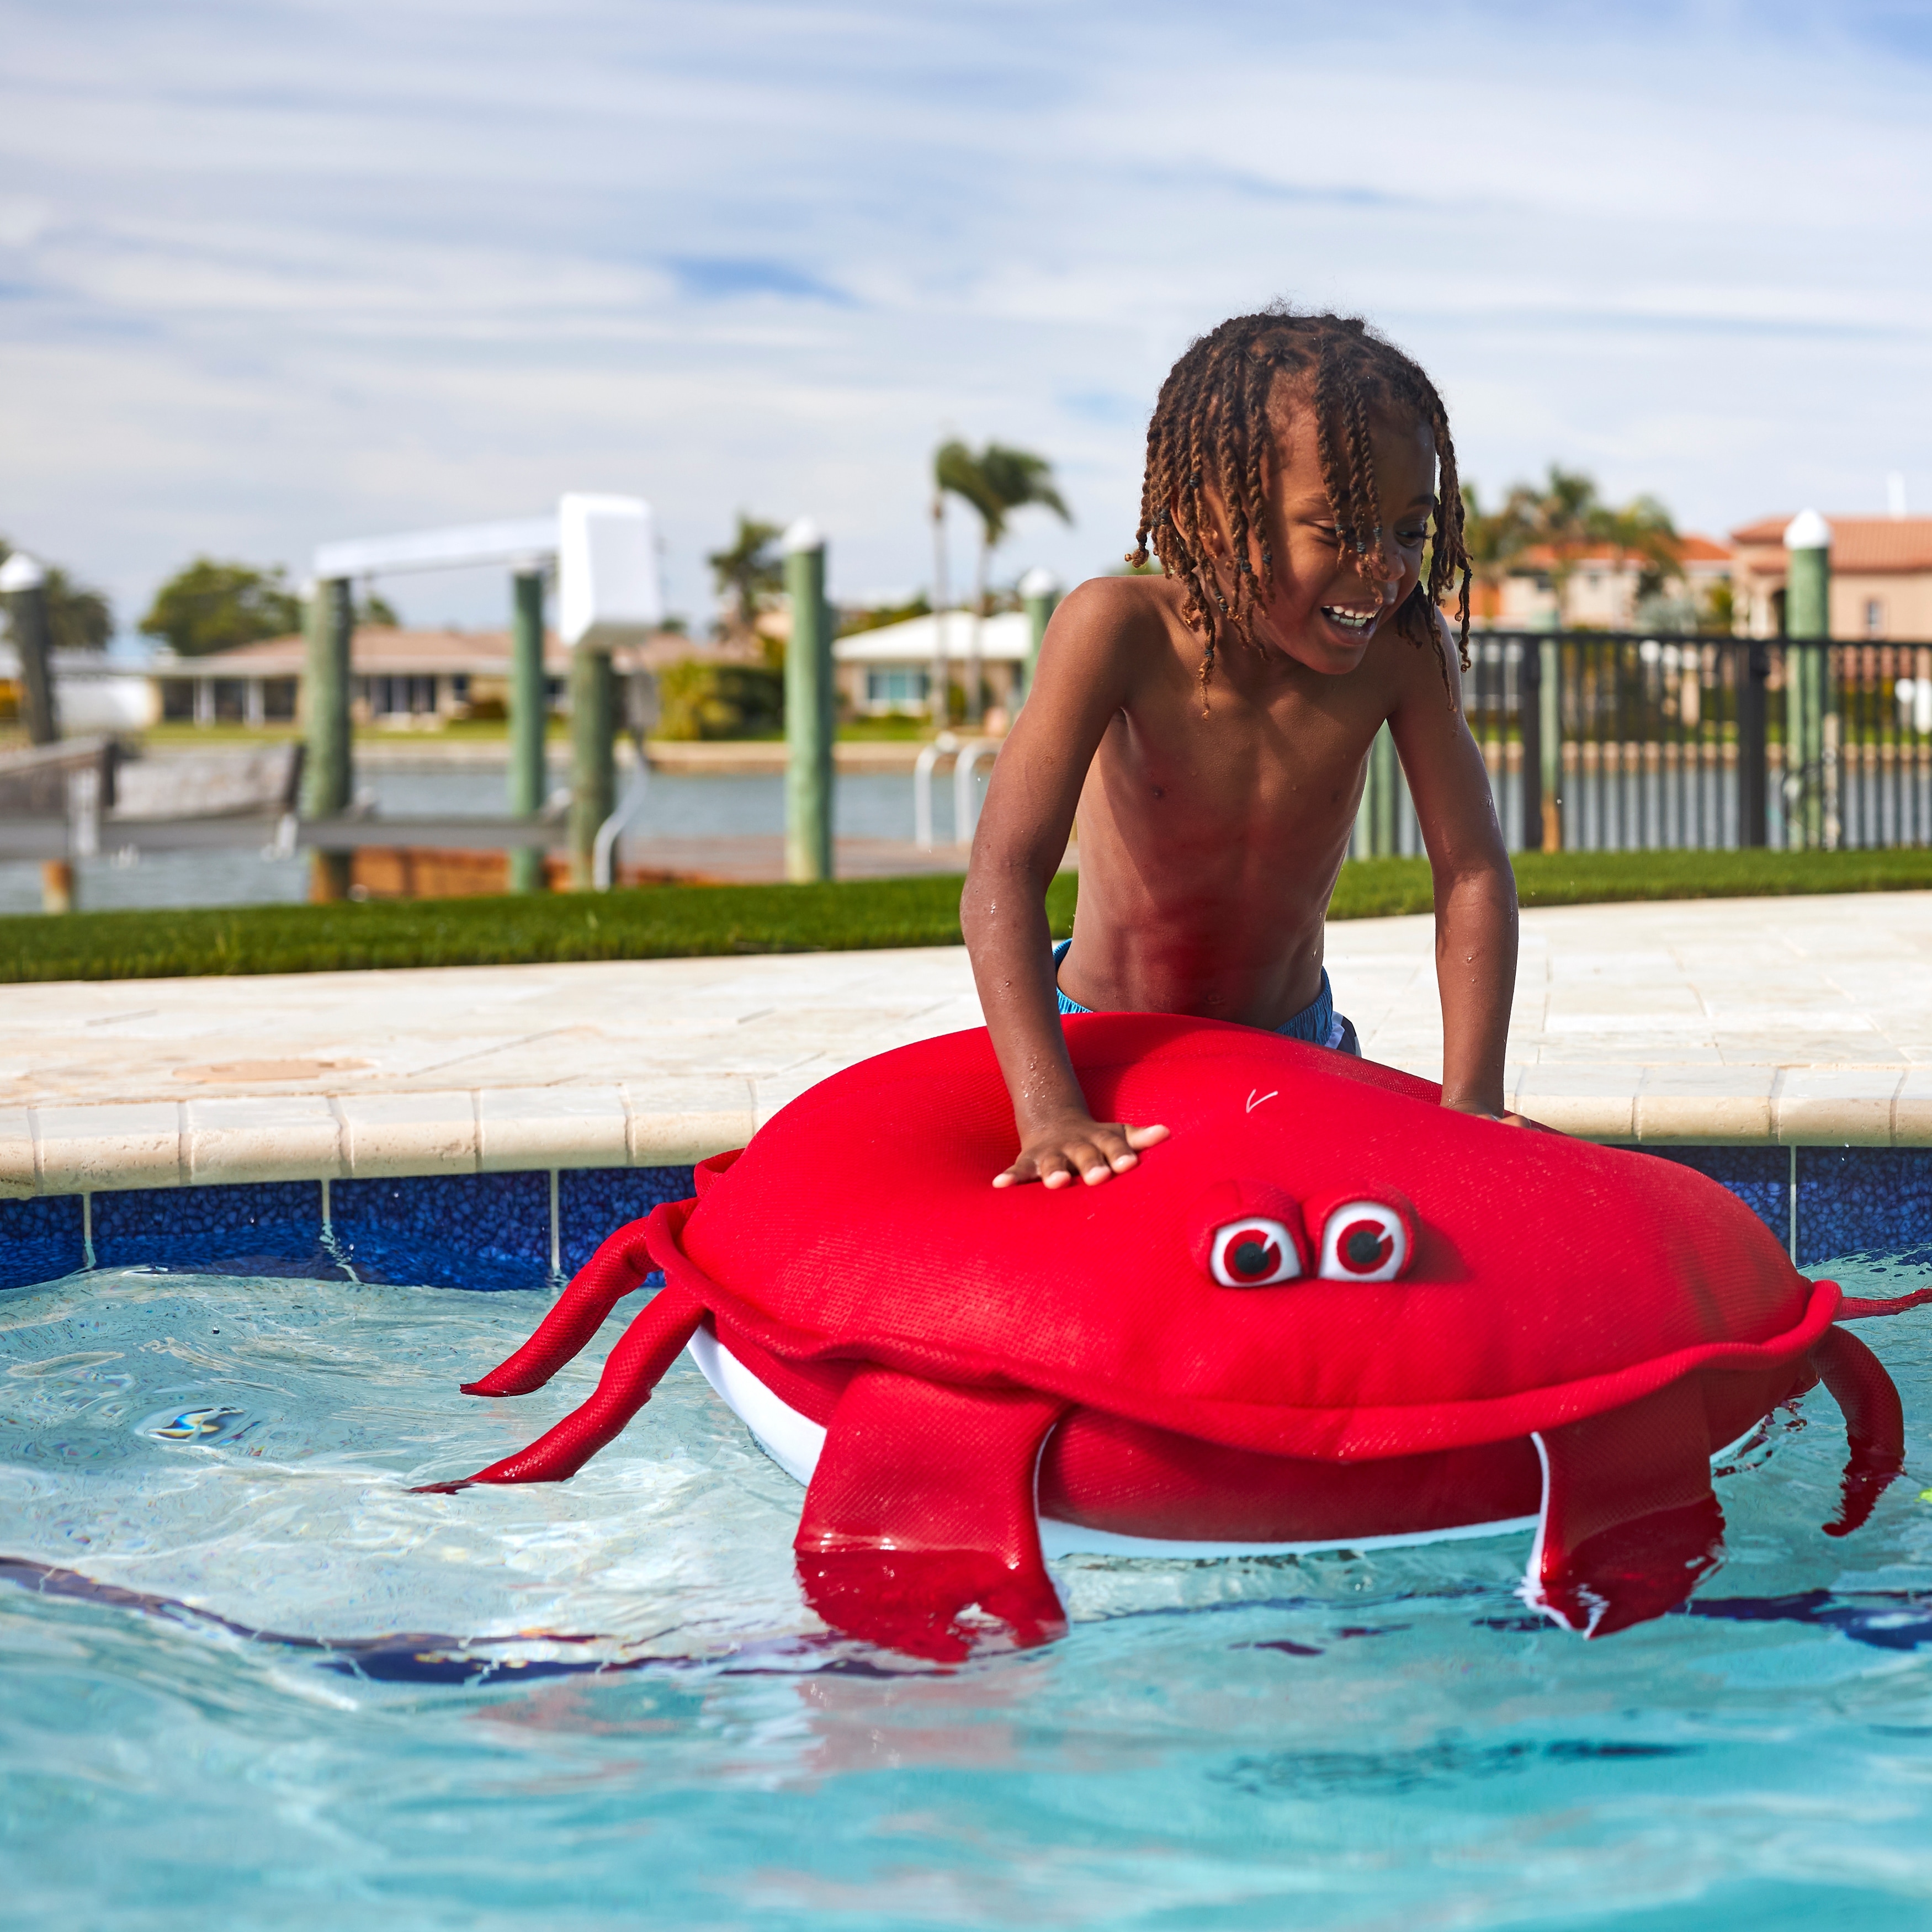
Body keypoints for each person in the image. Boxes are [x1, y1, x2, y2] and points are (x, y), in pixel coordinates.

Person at [960, 308, 1520, 1191]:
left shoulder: (1405, 652)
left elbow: (1473, 871)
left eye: (1410, 532)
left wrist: (1474, 1101)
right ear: (1210, 515)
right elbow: (1005, 870)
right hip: (1104, 1042)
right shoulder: (1117, 631)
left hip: (1296, 1042)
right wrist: (1049, 1109)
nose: (1384, 568)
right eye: (1339, 531)